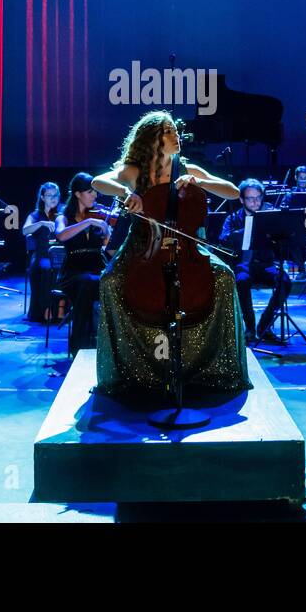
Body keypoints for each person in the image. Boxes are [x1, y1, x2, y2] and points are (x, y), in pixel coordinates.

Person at [92, 111, 252, 399]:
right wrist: (124, 192)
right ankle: (126, 367)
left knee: (225, 278)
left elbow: (232, 191)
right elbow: (98, 182)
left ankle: (215, 365)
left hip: (186, 245)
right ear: (153, 138)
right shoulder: (135, 170)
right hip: (143, 245)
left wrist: (199, 182)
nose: (176, 136)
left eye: (175, 131)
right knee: (110, 282)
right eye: (168, 132)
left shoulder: (186, 167)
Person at [217, 178, 286, 344]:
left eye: (258, 197)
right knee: (241, 280)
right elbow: (223, 239)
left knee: (285, 281)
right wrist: (246, 230)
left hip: (266, 265)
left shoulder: (270, 216)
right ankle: (249, 328)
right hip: (244, 265)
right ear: (241, 200)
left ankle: (265, 326)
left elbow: (283, 239)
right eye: (250, 198)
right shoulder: (233, 219)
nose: (255, 202)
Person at [55, 174, 111, 353]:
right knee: (87, 281)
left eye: (95, 192)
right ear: (78, 194)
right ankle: (82, 344)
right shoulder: (63, 217)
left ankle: (92, 344)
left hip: (96, 269)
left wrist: (109, 233)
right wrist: (88, 221)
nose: (95, 195)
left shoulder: (99, 216)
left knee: (105, 281)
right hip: (73, 273)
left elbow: (108, 248)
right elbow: (61, 235)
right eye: (90, 192)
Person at [23, 182, 61, 322]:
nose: (53, 198)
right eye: (49, 195)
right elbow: (25, 230)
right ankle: (45, 310)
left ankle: (60, 309)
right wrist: (42, 223)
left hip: (61, 255)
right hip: (42, 255)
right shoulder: (36, 215)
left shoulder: (63, 213)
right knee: (44, 267)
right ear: (43, 197)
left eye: (55, 195)